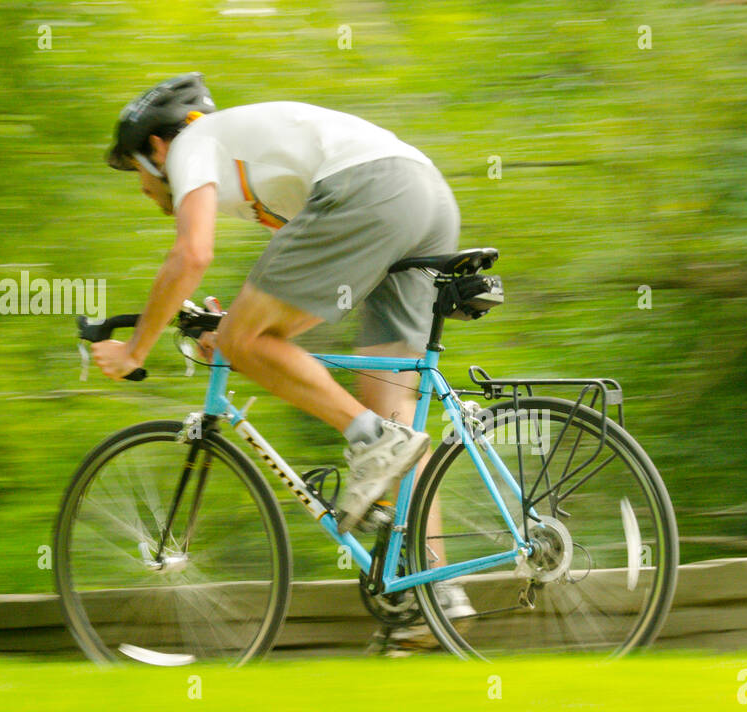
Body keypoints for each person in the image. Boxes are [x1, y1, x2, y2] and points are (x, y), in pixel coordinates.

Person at [96, 72, 472, 648]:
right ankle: (434, 597)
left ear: (157, 149)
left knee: (270, 358)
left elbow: (191, 253)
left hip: (370, 188)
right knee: (389, 407)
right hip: (423, 194)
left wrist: (133, 350)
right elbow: (310, 276)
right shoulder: (249, 165)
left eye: (136, 172)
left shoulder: (195, 143)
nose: (142, 189)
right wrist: (235, 331)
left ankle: (369, 440)